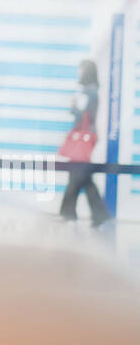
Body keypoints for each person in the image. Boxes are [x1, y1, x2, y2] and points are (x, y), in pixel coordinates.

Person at [58, 59, 110, 226]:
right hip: (88, 137)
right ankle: (99, 214)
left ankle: (68, 213)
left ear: (86, 72)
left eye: (81, 69)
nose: (79, 72)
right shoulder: (93, 90)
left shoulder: (87, 91)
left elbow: (82, 115)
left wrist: (73, 107)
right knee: (85, 178)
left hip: (83, 138)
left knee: (77, 175)